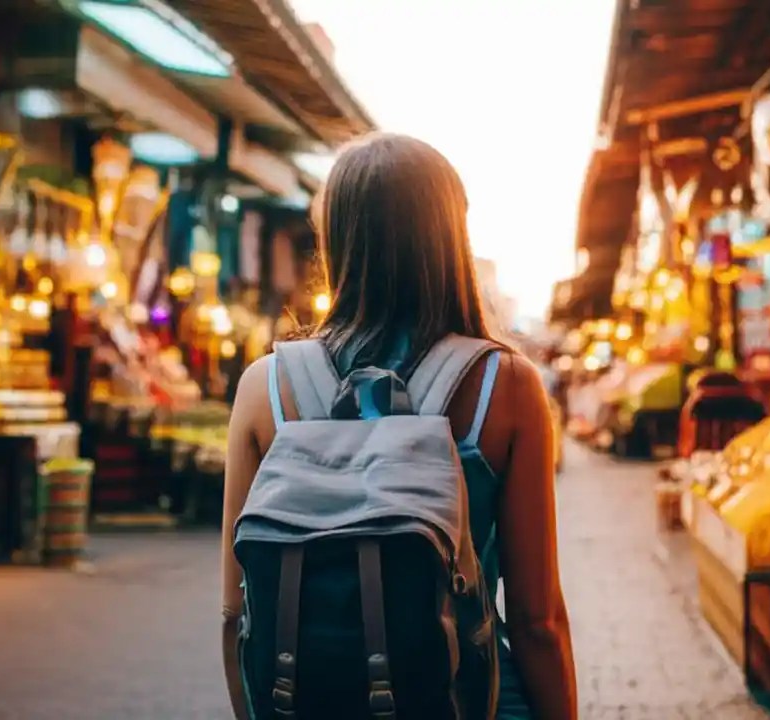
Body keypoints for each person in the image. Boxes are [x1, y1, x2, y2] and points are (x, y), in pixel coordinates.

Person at [220, 133, 576, 719]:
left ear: (335, 236)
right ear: (449, 238)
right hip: (469, 700)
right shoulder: (503, 386)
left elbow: (235, 615)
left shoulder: (264, 388)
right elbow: (539, 621)